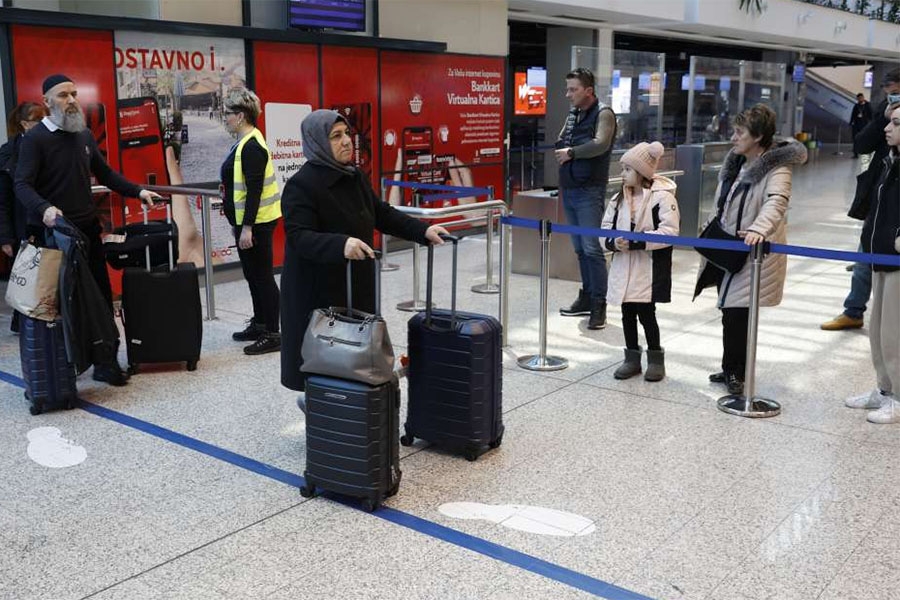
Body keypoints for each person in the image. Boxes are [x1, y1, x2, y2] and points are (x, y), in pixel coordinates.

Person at [279, 109, 449, 395]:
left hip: (354, 285)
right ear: (317, 142)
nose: (346, 141)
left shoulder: (354, 176)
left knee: (355, 360)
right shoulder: (302, 185)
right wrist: (340, 244)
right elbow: (299, 236)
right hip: (318, 293)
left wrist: (422, 230)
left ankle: (350, 406)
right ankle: (320, 406)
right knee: (325, 363)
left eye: (347, 133)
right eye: (336, 136)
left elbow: (380, 213)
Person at [14, 74, 161, 385]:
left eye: (74, 93)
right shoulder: (35, 139)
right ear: (47, 101)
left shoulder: (83, 135)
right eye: (63, 95)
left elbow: (105, 174)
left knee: (101, 298)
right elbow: (22, 184)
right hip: (54, 237)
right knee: (57, 306)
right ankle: (62, 365)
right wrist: (45, 209)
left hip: (87, 233)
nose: (71, 100)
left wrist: (137, 191)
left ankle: (106, 362)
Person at [694, 104, 807, 396]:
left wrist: (759, 228)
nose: (733, 138)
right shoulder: (736, 162)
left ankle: (737, 372)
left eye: (739, 132)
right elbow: (723, 202)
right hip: (727, 247)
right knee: (728, 311)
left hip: (752, 252)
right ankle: (730, 367)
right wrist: (710, 225)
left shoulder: (777, 168)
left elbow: (777, 201)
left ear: (757, 137)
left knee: (737, 314)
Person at [820, 69, 900, 331]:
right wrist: (884, 118)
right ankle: (854, 310)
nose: (893, 100)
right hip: (882, 191)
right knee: (866, 250)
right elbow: (862, 144)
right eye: (890, 95)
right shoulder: (885, 116)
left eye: (896, 94)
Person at [601, 141, 679, 381]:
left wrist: (637, 242)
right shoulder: (618, 199)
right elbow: (604, 229)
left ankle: (655, 359)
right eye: (622, 169)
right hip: (623, 266)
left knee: (647, 314)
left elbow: (670, 231)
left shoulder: (662, 198)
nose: (622, 174)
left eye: (627, 169)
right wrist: (613, 243)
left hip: (648, 268)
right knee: (627, 313)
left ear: (642, 172)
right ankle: (631, 358)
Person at [844, 102, 900, 424]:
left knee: (894, 332)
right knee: (878, 330)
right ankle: (885, 388)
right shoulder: (889, 161)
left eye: (896, 123)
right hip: (879, 255)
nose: (887, 128)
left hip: (895, 258)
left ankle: (898, 397)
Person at [220, 88, 282, 355]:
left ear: (241, 116)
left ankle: (273, 333)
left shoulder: (252, 146)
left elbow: (255, 190)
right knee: (252, 276)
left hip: (257, 225)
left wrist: (247, 228)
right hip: (247, 223)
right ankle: (259, 324)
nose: (225, 118)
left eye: (229, 113)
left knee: (263, 277)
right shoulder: (244, 142)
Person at [555, 67, 617, 330]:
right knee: (580, 249)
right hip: (570, 188)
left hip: (589, 190)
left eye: (573, 89)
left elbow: (601, 144)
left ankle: (599, 304)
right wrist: (565, 149)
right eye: (567, 89)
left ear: (588, 90)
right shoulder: (574, 114)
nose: (568, 94)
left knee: (592, 249)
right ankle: (588, 296)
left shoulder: (604, 113)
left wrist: (572, 152)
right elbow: (561, 139)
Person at [0, 101, 47, 333]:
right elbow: (3, 200)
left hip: (47, 220)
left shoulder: (50, 146)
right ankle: (25, 324)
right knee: (25, 276)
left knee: (47, 273)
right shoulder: (8, 153)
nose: (43, 123)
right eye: (37, 120)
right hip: (22, 223)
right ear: (24, 124)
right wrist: (5, 237)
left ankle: (45, 320)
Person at [849, 93, 872, 159]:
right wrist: (851, 122)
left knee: (865, 138)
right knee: (856, 139)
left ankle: (867, 151)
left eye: (861, 98)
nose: (860, 99)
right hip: (857, 125)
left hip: (865, 124)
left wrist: (871, 123)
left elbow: (871, 114)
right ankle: (855, 153)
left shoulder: (868, 105)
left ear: (863, 97)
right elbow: (853, 114)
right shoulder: (856, 106)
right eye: (858, 98)